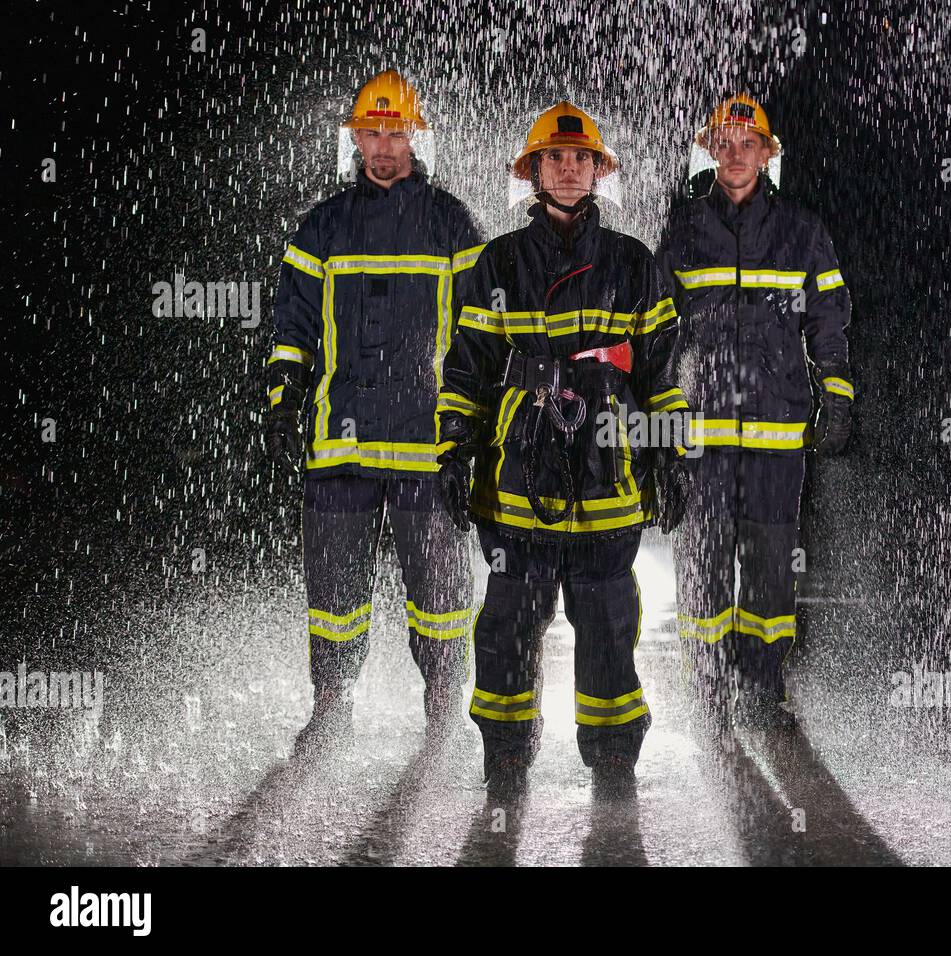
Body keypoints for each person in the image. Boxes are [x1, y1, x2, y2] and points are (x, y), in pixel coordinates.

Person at [436, 101, 693, 799]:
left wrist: (671, 454)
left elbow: (660, 374)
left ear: (598, 171)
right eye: (555, 158)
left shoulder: (632, 265)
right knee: (508, 622)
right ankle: (507, 754)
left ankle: (613, 758)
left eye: (581, 159)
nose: (569, 169)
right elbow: (466, 367)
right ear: (534, 171)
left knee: (610, 623)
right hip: (516, 477)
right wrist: (455, 449)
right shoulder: (499, 263)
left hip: (607, 476)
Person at [264, 70, 483, 759]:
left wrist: (473, 426)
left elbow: (481, 331)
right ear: (354, 137)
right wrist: (281, 397)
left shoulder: (451, 222)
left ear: (415, 135)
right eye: (371, 132)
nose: (383, 145)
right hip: (341, 445)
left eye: (396, 132)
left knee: (441, 603)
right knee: (334, 598)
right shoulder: (322, 226)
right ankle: (330, 709)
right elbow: (292, 326)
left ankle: (445, 714)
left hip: (429, 447)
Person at [655, 93, 853, 731]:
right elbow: (659, 329)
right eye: (726, 142)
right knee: (704, 565)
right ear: (712, 150)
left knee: (770, 571)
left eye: (750, 143)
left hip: (777, 432)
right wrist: (654, 422)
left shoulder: (802, 229)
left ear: (768, 154)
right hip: (702, 434)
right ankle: (710, 695)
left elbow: (829, 319)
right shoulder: (684, 229)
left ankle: (764, 692)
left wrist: (838, 395)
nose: (736, 153)